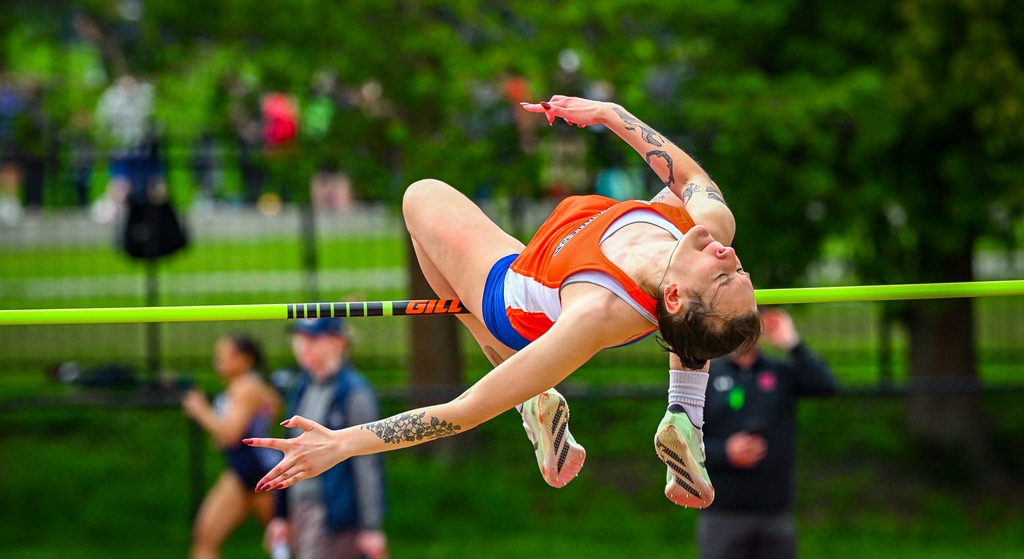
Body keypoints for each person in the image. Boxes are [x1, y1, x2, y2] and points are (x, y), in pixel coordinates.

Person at [246, 95, 761, 510]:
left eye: (723, 273)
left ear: (672, 295)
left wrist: (342, 443)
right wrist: (608, 114)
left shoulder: (596, 312)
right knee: (684, 213)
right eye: (740, 271)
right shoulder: (709, 232)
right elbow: (691, 180)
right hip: (568, 253)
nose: (728, 254)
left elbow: (461, 411)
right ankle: (683, 416)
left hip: (512, 297)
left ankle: (529, 394)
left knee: (420, 196)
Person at [696, 307, 838, 559]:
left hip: (775, 513)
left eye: (752, 322)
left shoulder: (781, 373)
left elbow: (826, 386)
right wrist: (725, 452)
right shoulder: (705, 374)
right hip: (722, 513)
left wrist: (792, 343)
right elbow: (682, 443)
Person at [264, 317, 389, 559]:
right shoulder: (301, 387)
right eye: (299, 339)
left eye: (313, 339)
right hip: (302, 506)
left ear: (337, 342)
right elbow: (289, 452)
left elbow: (368, 463)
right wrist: (281, 515)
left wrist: (371, 526)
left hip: (334, 512)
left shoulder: (354, 394)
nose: (303, 346)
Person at [182, 334, 283, 559]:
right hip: (246, 470)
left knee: (282, 540)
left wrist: (200, 411)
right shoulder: (245, 386)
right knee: (206, 536)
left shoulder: (246, 387)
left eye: (223, 357)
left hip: (260, 473)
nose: (217, 363)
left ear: (244, 359)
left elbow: (230, 434)